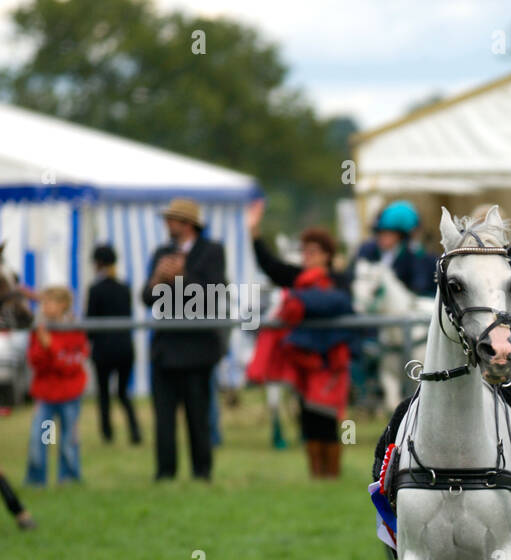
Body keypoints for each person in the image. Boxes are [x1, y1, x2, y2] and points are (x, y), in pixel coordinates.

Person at [245, 199, 355, 478]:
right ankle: (316, 477)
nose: (307, 256)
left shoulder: (338, 281)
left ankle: (331, 476)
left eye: (313, 251)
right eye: (305, 251)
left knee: (327, 418)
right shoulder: (299, 279)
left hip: (330, 361)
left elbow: (341, 303)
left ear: (327, 255)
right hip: (304, 361)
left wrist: (302, 301)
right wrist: (254, 232)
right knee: (308, 419)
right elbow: (270, 266)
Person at [141, 197, 226, 481]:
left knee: (197, 416)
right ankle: (165, 472)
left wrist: (181, 277)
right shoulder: (162, 252)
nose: (167, 224)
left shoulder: (212, 252)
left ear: (188, 224)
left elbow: (214, 294)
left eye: (172, 219)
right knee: (163, 417)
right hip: (165, 348)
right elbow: (147, 298)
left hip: (197, 348)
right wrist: (157, 279)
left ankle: (202, 471)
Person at [25, 286, 88, 485]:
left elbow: (72, 363)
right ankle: (37, 479)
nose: (44, 307)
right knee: (43, 438)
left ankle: (68, 478)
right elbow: (35, 361)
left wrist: (50, 347)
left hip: (69, 394)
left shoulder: (74, 330)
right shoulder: (40, 330)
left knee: (69, 439)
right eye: (43, 303)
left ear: (63, 305)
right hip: (47, 395)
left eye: (49, 302)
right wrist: (48, 349)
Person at [84, 244, 141, 445]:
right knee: (124, 392)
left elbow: (90, 323)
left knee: (104, 394)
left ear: (98, 263)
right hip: (125, 348)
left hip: (103, 350)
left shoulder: (95, 289)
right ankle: (135, 432)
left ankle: (107, 434)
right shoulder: (124, 287)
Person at [348, 200, 436, 296]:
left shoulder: (414, 256)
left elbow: (419, 286)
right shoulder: (367, 251)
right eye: (380, 233)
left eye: (389, 234)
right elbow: (352, 277)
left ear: (400, 236)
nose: (383, 238)